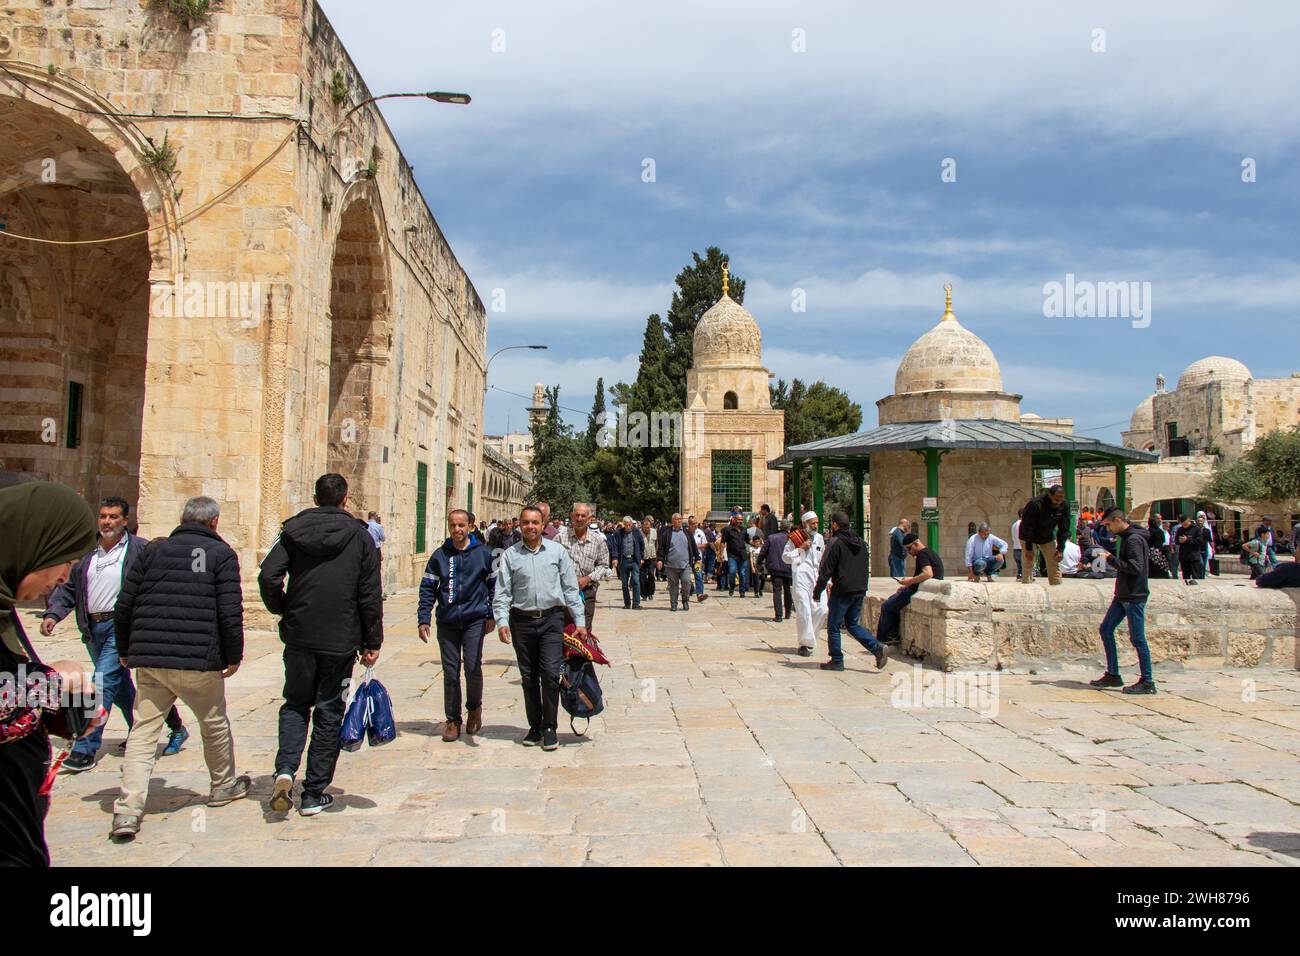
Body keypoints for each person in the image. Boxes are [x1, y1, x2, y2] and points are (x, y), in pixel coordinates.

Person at [110, 496, 250, 839]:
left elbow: (124, 603)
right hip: (198, 659)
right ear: (214, 522)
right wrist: (234, 655)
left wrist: (126, 649)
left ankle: (128, 811)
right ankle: (222, 786)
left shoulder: (152, 552)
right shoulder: (220, 555)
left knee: (143, 734)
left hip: (153, 660)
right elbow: (230, 612)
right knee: (213, 722)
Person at [258, 473, 383, 817]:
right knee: (329, 710)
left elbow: (268, 576)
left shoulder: (293, 532)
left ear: (315, 498)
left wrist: (285, 608)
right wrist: (372, 640)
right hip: (341, 640)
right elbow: (369, 595)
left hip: (300, 635)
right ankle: (313, 792)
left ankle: (285, 771)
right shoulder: (361, 538)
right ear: (346, 500)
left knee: (296, 703)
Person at [41, 496, 187, 772]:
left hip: (123, 628)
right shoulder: (87, 553)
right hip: (93, 627)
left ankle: (85, 748)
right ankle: (170, 727)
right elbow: (70, 588)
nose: (107, 521)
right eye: (103, 516)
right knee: (120, 688)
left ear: (125, 521)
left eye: (113, 517)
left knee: (102, 682)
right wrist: (53, 614)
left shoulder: (139, 551)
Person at [1, 482, 97, 866]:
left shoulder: (5, 613)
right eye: (65, 562)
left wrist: (62, 708)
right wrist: (52, 683)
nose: (63, 578)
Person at [493, 506, 587, 751]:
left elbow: (570, 589)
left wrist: (580, 622)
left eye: (535, 522)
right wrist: (502, 621)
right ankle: (534, 726)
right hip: (521, 621)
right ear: (520, 525)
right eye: (526, 522)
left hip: (551, 620)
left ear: (543, 524)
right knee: (528, 676)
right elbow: (502, 592)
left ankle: (550, 727)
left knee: (549, 673)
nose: (530, 527)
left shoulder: (557, 552)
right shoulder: (510, 555)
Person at [418, 509, 495, 743]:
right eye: (453, 525)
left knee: (472, 667)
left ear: (470, 526)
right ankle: (452, 719)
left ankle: (474, 709)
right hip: (448, 621)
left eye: (461, 525)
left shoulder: (483, 554)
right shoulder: (440, 555)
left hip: (474, 619)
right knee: (450, 671)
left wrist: (491, 614)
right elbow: (428, 587)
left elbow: (493, 586)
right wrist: (423, 618)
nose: (457, 530)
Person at [1089, 507, 1155, 695]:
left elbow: (1135, 567)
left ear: (1118, 520)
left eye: (1109, 525)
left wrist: (1111, 559)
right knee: (1106, 629)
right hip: (1123, 595)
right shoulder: (1127, 538)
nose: (1108, 529)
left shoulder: (1133, 539)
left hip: (1134, 596)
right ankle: (1113, 674)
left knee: (1138, 638)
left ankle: (1147, 681)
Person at [813, 512, 886, 672]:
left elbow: (826, 569)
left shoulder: (835, 542)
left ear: (835, 525)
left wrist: (818, 591)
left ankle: (837, 660)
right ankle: (876, 647)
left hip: (842, 590)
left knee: (833, 626)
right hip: (859, 589)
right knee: (852, 624)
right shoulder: (860, 541)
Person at [876, 532, 945, 645]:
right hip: (919, 588)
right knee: (892, 601)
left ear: (916, 543)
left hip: (918, 591)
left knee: (887, 606)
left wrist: (909, 582)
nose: (909, 552)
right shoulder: (931, 553)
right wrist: (907, 585)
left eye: (909, 548)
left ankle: (884, 639)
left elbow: (928, 573)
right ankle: (892, 635)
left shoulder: (922, 554)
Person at [555, 503, 613, 630]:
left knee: (583, 631)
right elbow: (551, 563)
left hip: (587, 591)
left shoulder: (597, 540)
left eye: (583, 515)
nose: (579, 518)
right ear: (571, 516)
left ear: (589, 518)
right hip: (564, 591)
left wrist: (587, 579)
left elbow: (604, 566)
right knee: (564, 630)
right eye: (577, 515)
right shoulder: (560, 538)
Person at [782, 511, 827, 657]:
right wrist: (800, 549)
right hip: (800, 577)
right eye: (812, 523)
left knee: (822, 609)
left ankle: (809, 639)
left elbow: (823, 560)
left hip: (816, 578)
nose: (815, 526)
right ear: (805, 524)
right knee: (804, 611)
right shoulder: (795, 538)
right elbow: (785, 558)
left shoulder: (819, 538)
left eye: (817, 523)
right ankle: (804, 644)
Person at [1018, 485, 1068, 585]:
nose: (1058, 502)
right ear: (1049, 495)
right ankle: (1027, 585)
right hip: (1028, 535)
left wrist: (1060, 549)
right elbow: (1028, 526)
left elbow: (1064, 528)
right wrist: (1029, 548)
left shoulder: (1064, 505)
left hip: (1047, 536)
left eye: (1061, 499)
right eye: (1055, 499)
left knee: (1054, 561)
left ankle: (1056, 585)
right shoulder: (1035, 504)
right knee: (1028, 561)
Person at [656, 513, 699, 612]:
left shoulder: (687, 533)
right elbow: (661, 548)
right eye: (676, 519)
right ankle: (674, 603)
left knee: (687, 583)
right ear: (672, 521)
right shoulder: (667, 533)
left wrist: (697, 558)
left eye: (680, 519)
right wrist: (660, 559)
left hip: (685, 565)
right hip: (671, 565)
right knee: (673, 586)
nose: (679, 521)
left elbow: (693, 546)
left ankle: (685, 600)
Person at [759, 518, 793, 622]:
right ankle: (788, 613)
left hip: (775, 568)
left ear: (780, 526)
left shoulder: (771, 538)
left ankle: (778, 616)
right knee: (787, 590)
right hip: (788, 567)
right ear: (789, 528)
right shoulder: (791, 538)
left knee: (777, 591)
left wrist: (759, 562)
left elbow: (763, 551)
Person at [612, 515, 645, 609]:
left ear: (631, 524)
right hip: (623, 560)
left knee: (636, 581)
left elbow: (642, 545)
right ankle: (627, 603)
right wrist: (615, 558)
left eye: (629, 525)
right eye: (626, 525)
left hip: (634, 560)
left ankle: (636, 603)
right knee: (624, 584)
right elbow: (615, 546)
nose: (628, 527)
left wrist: (641, 557)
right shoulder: (618, 533)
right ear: (623, 524)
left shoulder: (637, 532)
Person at [721, 513, 750, 597]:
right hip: (732, 555)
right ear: (734, 519)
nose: (739, 521)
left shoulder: (744, 529)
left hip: (742, 555)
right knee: (732, 572)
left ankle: (742, 591)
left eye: (741, 520)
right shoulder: (727, 529)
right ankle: (732, 587)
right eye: (738, 519)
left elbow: (748, 540)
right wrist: (722, 553)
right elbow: (723, 542)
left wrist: (756, 543)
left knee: (742, 573)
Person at [1175, 514, 1205, 584]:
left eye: (1185, 524)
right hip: (1184, 556)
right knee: (1186, 577)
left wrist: (1187, 539)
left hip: (1193, 557)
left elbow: (1199, 541)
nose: (1184, 525)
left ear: (1188, 521)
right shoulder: (1180, 530)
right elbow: (1176, 541)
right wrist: (1179, 541)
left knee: (1195, 577)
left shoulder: (1196, 529)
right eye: (1182, 524)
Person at [688, 516, 710, 604]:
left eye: (696, 523)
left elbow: (705, 544)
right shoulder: (685, 533)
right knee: (685, 576)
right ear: (689, 525)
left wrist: (697, 546)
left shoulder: (700, 532)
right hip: (687, 559)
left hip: (697, 560)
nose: (695, 525)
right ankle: (690, 589)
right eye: (693, 524)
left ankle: (700, 594)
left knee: (698, 575)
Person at [640, 516, 658, 601]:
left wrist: (657, 555)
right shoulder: (639, 533)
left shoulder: (654, 531)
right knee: (642, 577)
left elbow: (657, 543)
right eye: (645, 527)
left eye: (648, 527)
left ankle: (650, 592)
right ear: (642, 526)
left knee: (651, 575)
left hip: (652, 557)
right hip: (642, 558)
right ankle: (643, 594)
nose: (647, 529)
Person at [1011, 510, 1024, 578]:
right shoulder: (1022, 523)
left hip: (1016, 547)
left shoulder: (1014, 525)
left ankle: (1020, 575)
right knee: (1023, 565)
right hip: (1021, 547)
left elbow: (1013, 538)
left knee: (1020, 566)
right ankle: (1023, 576)